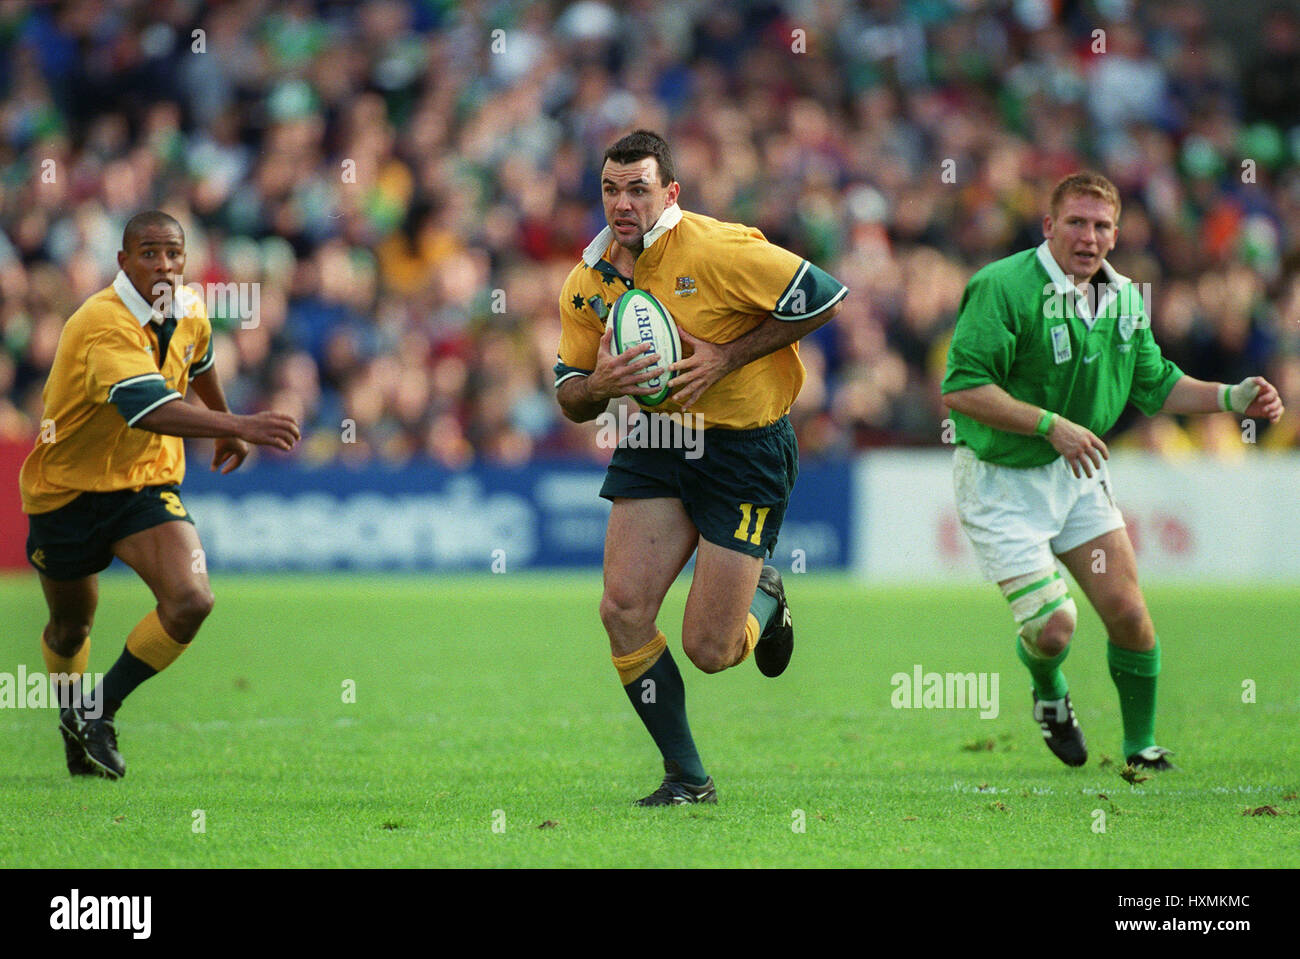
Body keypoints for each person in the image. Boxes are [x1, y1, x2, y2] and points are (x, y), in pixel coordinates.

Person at [941, 172, 1283, 771]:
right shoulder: (1000, 287)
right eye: (1075, 222)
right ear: (1048, 226)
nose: (1088, 236)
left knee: (1128, 613)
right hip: (1001, 479)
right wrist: (1051, 425)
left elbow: (1155, 386)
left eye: (1101, 226)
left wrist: (1232, 398)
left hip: (1077, 478)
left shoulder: (1125, 297)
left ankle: (1139, 747)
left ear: (1116, 234)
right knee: (1054, 628)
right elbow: (963, 389)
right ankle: (1049, 692)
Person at [554, 130, 848, 805]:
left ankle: (765, 599)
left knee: (710, 650)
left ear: (670, 193)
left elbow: (825, 295)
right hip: (659, 438)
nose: (622, 202)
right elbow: (570, 393)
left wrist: (726, 356)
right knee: (623, 609)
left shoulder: (718, 249)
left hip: (743, 448)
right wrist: (600, 386)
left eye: (638, 188)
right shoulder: (588, 281)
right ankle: (688, 778)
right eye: (610, 188)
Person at [21, 210, 301, 779]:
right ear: (122, 261)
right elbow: (148, 409)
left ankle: (96, 711)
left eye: (174, 253)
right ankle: (71, 719)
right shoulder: (103, 323)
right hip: (67, 491)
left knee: (192, 599)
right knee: (72, 626)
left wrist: (222, 418)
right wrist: (240, 426)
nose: (164, 265)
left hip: (144, 483)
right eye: (149, 253)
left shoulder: (190, 307)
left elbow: (200, 359)